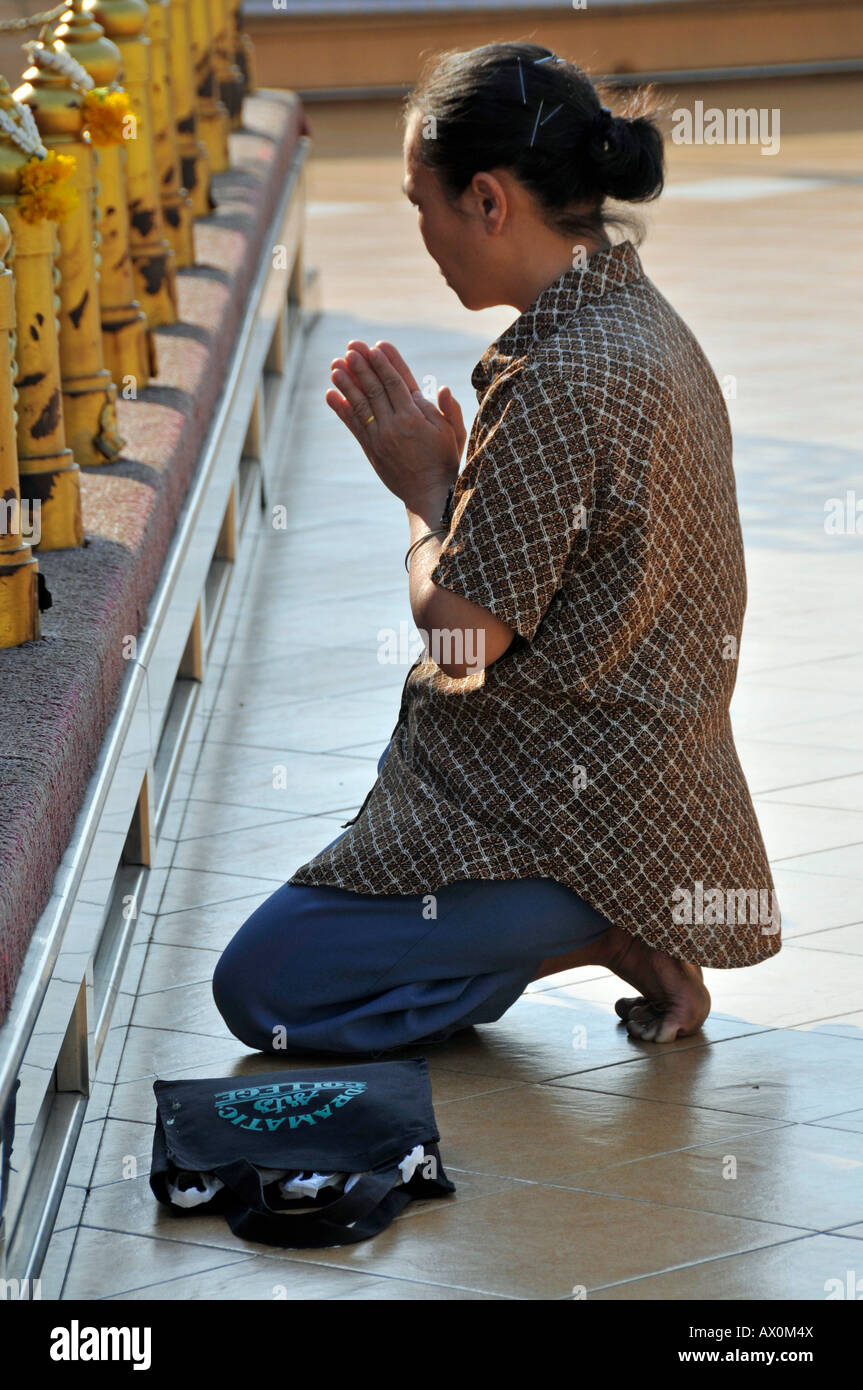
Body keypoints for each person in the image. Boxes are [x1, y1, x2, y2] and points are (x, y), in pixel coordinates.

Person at [213, 42, 780, 1058]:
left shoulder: (562, 375)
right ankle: (575, 924)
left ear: (485, 199)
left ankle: (596, 922)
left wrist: (424, 491)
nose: (421, 232)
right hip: (628, 788)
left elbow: (466, 641)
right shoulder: (637, 323)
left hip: (571, 821)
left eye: (418, 202)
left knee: (265, 991)